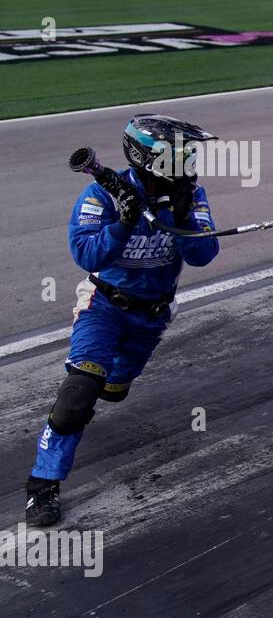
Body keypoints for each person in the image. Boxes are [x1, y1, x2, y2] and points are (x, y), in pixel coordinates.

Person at [25, 115, 220, 527]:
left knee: (113, 391)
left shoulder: (191, 193)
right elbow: (87, 257)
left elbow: (204, 255)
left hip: (152, 315)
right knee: (79, 393)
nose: (186, 161)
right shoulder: (102, 195)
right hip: (104, 306)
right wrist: (124, 223)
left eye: (189, 154)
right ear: (145, 156)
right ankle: (42, 485)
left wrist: (184, 220)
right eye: (177, 155)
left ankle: (106, 386)